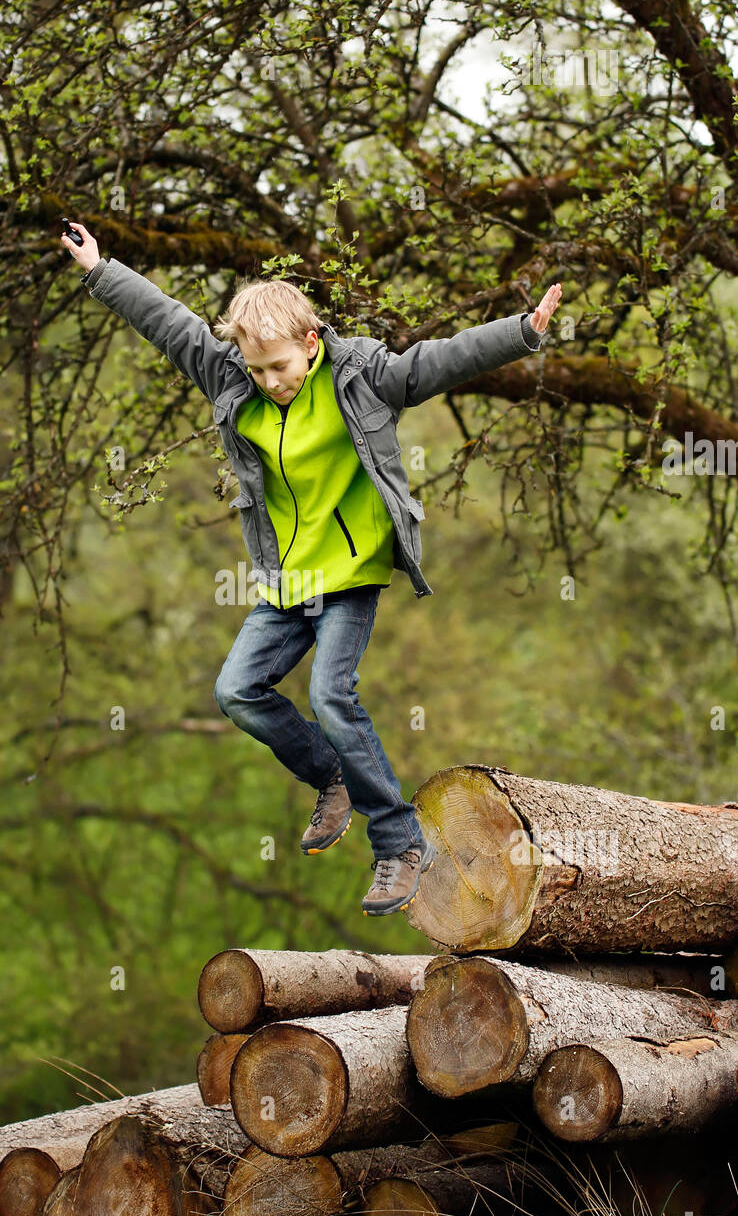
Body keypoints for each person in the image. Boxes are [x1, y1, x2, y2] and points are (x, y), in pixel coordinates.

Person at [61, 220, 562, 915]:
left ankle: (397, 841)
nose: (270, 384)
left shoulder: (364, 377)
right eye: (257, 370)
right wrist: (98, 269)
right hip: (286, 581)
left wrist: (522, 331)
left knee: (332, 694)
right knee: (237, 691)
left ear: (310, 342)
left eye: (281, 369)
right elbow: (168, 323)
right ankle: (332, 775)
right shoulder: (231, 376)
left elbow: (440, 361)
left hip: (351, 574)